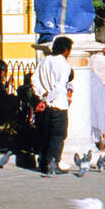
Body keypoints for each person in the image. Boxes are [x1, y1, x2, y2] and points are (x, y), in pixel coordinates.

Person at [31, 36, 73, 176]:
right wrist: (47, 99)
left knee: (45, 134)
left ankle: (43, 163)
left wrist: (42, 95)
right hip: (58, 105)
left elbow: (34, 80)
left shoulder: (44, 60)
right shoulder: (64, 65)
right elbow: (59, 87)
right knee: (58, 135)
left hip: (46, 107)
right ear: (66, 50)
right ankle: (52, 164)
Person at [90, 42, 105, 139]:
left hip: (93, 87)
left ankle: (96, 134)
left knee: (94, 111)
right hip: (104, 86)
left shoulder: (91, 59)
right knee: (104, 112)